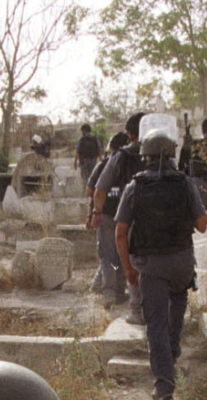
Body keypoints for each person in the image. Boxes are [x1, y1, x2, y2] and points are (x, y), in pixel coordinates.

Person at [114, 116, 207, 400]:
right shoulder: (186, 184)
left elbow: (119, 231)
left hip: (151, 266)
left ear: (146, 157)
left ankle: (165, 386)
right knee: (176, 308)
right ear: (172, 155)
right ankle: (173, 349)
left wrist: (128, 268)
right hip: (181, 262)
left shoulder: (135, 187)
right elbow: (203, 224)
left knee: (154, 324)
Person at [91, 113, 147, 324]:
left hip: (129, 216)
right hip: (159, 217)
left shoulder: (121, 157)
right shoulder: (163, 154)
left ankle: (137, 310)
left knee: (126, 260)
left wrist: (96, 212)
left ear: (130, 134)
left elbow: (97, 191)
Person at [87, 131, 131, 306]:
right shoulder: (130, 166)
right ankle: (119, 292)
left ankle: (109, 293)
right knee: (121, 254)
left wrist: (92, 213)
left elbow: (90, 191)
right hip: (124, 217)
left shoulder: (103, 165)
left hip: (104, 215)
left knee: (106, 256)